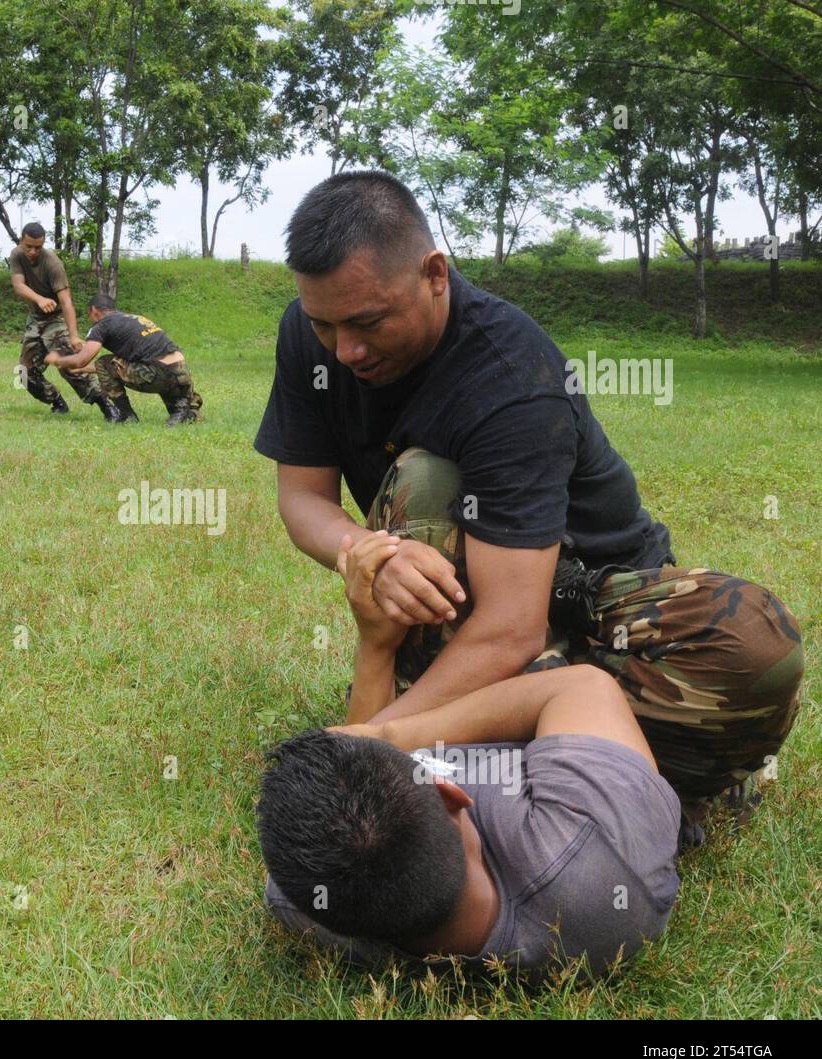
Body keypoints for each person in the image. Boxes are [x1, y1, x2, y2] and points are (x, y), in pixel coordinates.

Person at [252, 170, 803, 839]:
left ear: (434, 273)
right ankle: (597, 763)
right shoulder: (313, 335)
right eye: (324, 325)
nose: (346, 350)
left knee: (754, 648)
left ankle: (532, 751)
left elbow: (513, 627)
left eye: (368, 323)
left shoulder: (510, 378)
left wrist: (370, 744)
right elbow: (303, 498)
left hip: (596, 603)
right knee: (423, 493)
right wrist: (368, 556)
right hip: (481, 604)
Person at [257, 531, 683, 983]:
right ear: (452, 794)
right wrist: (386, 733)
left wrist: (377, 646)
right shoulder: (590, 840)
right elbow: (581, 687)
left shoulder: (308, 903)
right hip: (570, 734)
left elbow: (334, 826)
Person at [8, 223, 118, 420]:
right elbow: (18, 286)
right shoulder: (16, 255)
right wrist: (40, 299)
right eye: (29, 247)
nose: (33, 252)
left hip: (56, 319)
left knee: (69, 366)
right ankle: (57, 401)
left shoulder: (52, 263)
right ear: (21, 242)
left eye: (38, 247)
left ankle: (106, 405)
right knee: (24, 373)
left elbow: (66, 302)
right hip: (35, 319)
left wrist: (74, 336)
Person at [45, 294, 202, 426]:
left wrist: (58, 360)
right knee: (182, 414)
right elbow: (122, 365)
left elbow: (83, 360)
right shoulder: (132, 318)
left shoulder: (101, 326)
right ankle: (185, 410)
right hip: (181, 374)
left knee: (103, 362)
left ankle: (127, 415)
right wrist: (81, 368)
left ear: (94, 310)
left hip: (159, 374)